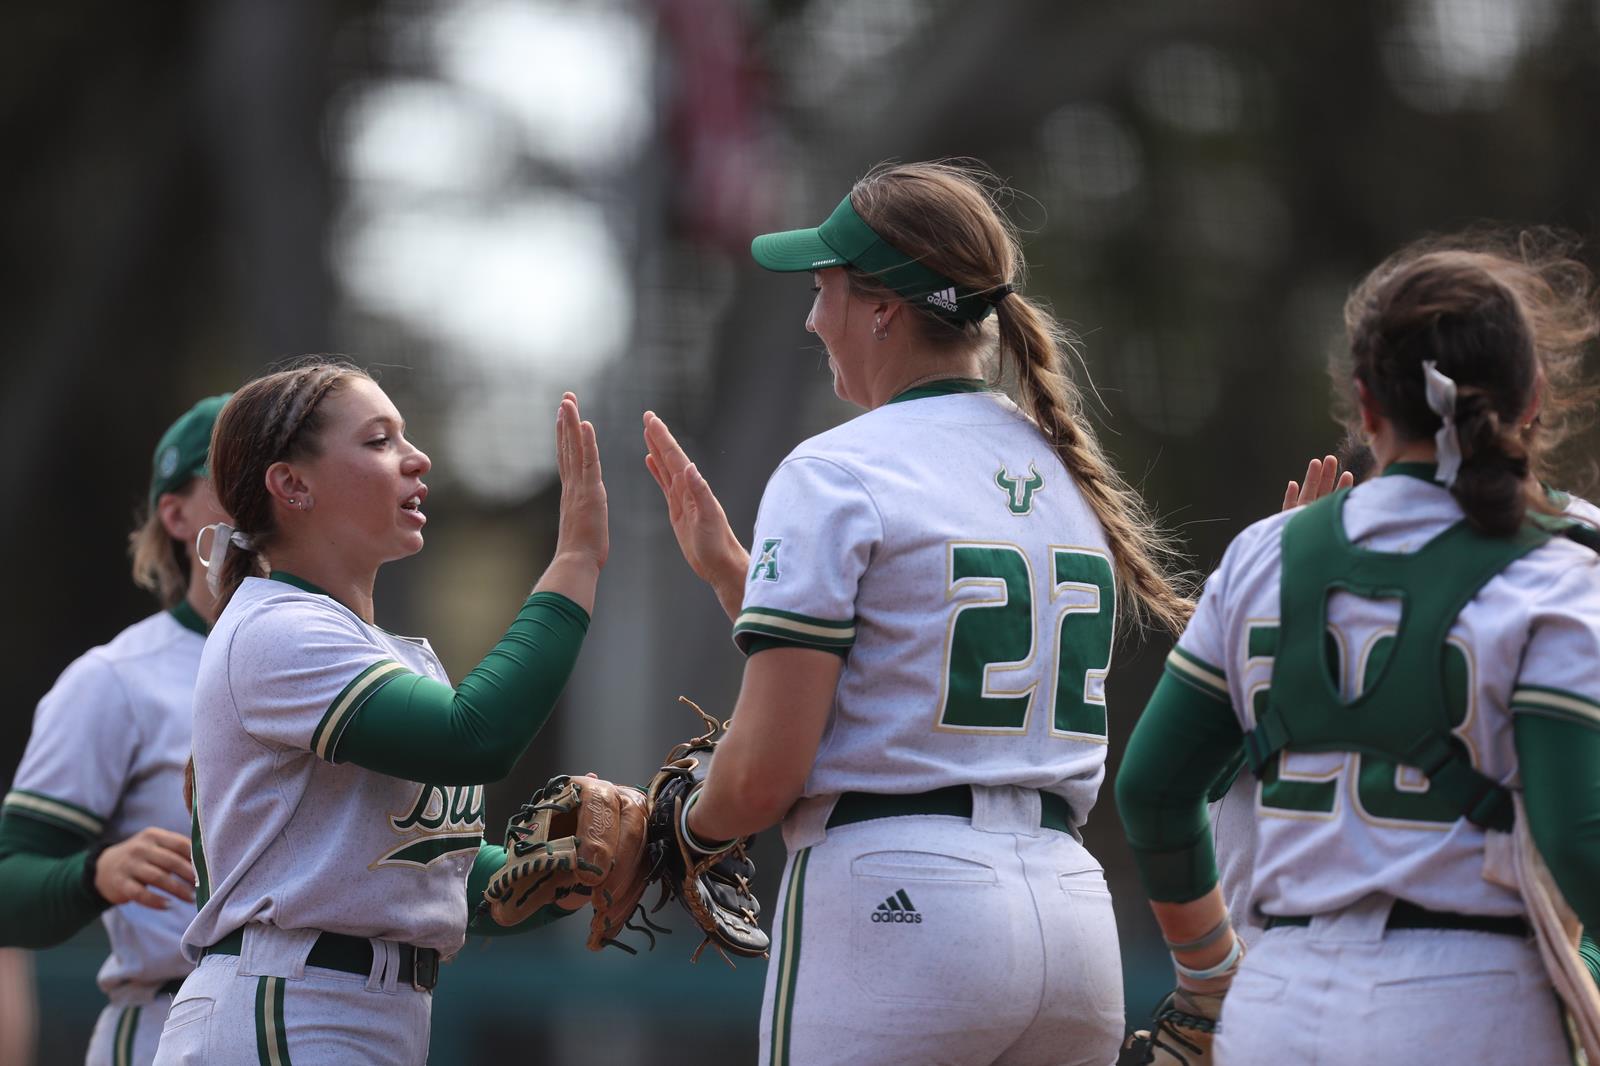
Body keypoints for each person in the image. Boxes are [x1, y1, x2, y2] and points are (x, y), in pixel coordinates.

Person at [643, 160, 1194, 1066]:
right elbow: (909, 673)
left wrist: (681, 830)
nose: (814, 317)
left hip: (897, 904)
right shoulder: (1066, 469)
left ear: (883, 309)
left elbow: (766, 776)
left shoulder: (835, 468)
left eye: (824, 290)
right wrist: (734, 575)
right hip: (1072, 916)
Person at [1115, 236, 1600, 1065]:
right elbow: (1578, 839)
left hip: (1278, 1003)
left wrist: (1206, 976)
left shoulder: (1267, 552)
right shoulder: (1570, 563)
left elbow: (1152, 790)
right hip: (1475, 1000)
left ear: (1366, 401)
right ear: (1535, 397)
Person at [152, 362, 606, 1065]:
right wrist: (574, 562)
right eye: (379, 440)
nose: (416, 457)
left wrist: (559, 872)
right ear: (291, 484)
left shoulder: (390, 655)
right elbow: (475, 737)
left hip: (355, 1009)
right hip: (289, 1004)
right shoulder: (274, 630)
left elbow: (427, 873)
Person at [0, 394, 229, 1065]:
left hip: (347, 1027)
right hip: (173, 1026)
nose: (262, 484)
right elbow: (8, 884)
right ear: (176, 513)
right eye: (230, 467)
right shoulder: (118, 677)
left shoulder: (353, 663)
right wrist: (94, 873)